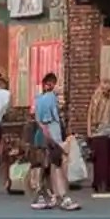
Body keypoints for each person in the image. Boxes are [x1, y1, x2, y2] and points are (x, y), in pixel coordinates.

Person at [32, 73, 79, 211]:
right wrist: (51, 140)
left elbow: (39, 120)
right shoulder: (49, 99)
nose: (60, 87)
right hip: (50, 138)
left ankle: (45, 196)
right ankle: (63, 197)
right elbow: (44, 122)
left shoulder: (40, 99)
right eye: (57, 83)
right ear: (50, 85)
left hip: (46, 138)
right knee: (56, 167)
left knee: (47, 168)